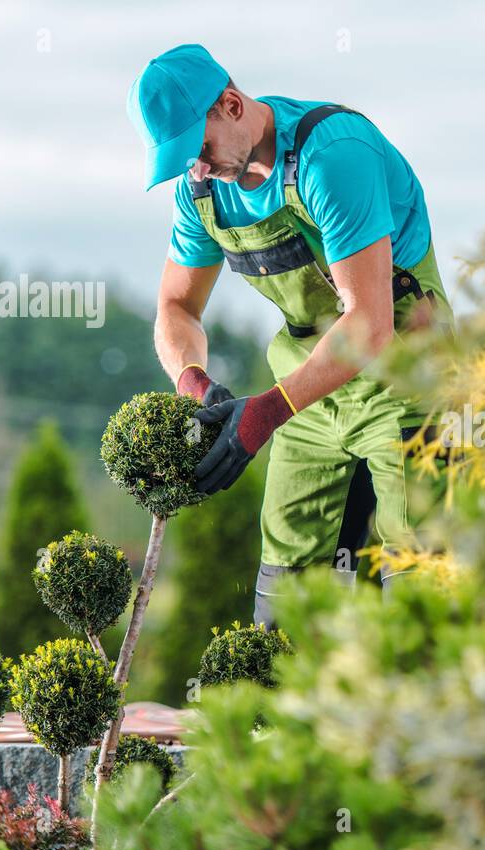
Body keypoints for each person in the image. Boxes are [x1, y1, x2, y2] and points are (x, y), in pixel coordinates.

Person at [127, 44, 451, 624]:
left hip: (407, 378)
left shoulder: (334, 156)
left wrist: (266, 413)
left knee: (419, 586)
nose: (195, 168)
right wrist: (191, 381)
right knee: (286, 593)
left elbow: (370, 324)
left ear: (230, 105)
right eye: (181, 160)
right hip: (310, 390)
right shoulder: (201, 192)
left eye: (197, 150)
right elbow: (176, 306)